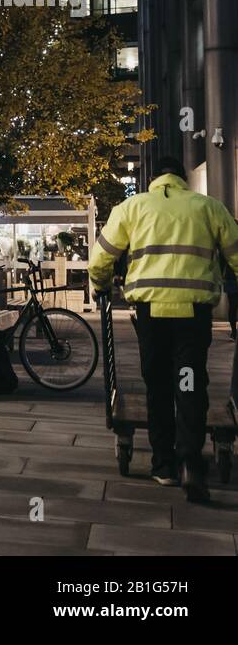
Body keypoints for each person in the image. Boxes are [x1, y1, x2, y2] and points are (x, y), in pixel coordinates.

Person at [90, 155, 238, 504]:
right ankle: (190, 461)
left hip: (151, 313)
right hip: (193, 315)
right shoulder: (209, 208)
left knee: (156, 383)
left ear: (153, 180)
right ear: (182, 178)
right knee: (189, 381)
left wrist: (100, 285)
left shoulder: (133, 207)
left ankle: (164, 464)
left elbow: (101, 259)